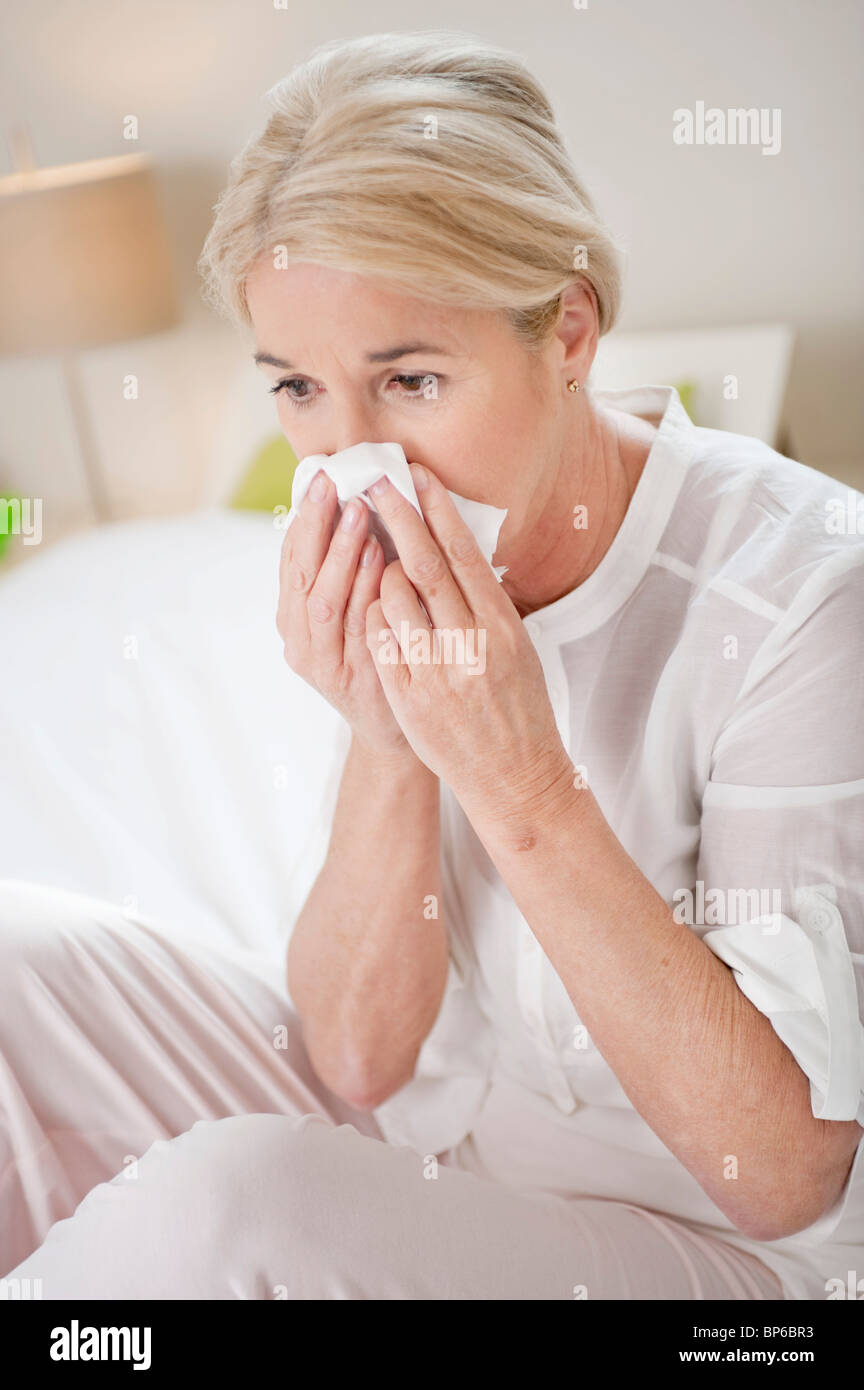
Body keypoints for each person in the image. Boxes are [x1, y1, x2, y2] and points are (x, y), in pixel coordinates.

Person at [3, 29, 863, 1301]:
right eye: (297, 388)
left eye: (408, 379)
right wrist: (387, 734)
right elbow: (356, 1057)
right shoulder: (386, 568)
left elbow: (785, 1173)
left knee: (221, 1207)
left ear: (568, 330)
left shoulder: (801, 594)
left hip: (723, 1260)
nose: (354, 465)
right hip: (444, 1154)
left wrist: (524, 785)